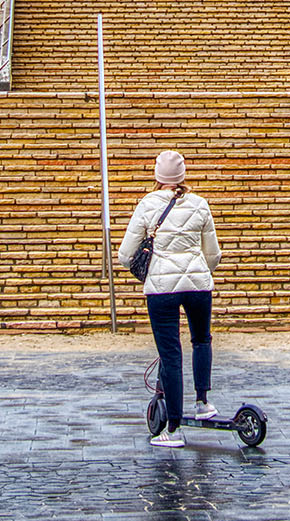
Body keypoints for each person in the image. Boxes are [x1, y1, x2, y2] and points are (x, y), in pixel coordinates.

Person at [119, 150, 221, 448]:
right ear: (183, 175)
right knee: (201, 339)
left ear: (157, 176)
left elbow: (126, 254)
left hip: (161, 289)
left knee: (171, 353)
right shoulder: (200, 204)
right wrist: (199, 272)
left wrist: (146, 269)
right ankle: (203, 403)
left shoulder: (147, 205)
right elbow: (212, 253)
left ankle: (173, 430)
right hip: (199, 285)